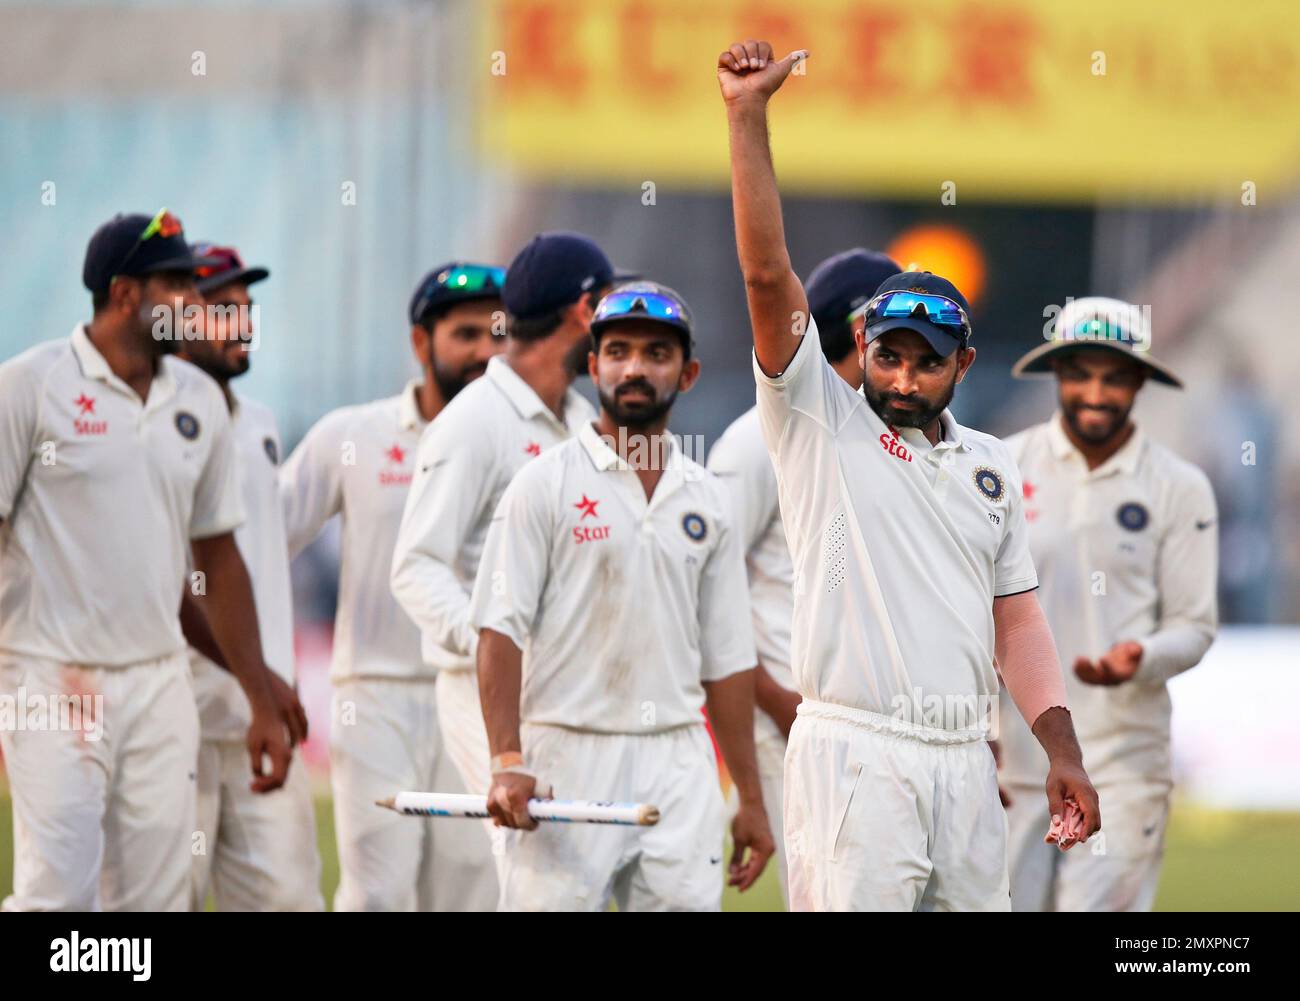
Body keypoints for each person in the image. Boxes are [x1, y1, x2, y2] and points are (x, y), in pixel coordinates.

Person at [716, 40, 1100, 911]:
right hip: (856, 753)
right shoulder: (818, 424)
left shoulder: (990, 466)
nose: (902, 378)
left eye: (925, 363)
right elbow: (766, 273)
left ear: (963, 364)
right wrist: (747, 115)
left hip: (966, 759)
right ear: (860, 348)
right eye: (887, 356)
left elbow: (1019, 623)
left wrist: (1061, 750)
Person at [0, 210, 292, 911]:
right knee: (59, 894)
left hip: (161, 683)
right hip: (50, 675)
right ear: (125, 294)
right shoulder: (28, 387)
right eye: (177, 285)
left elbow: (218, 562)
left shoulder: (198, 401)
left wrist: (259, 693)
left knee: (157, 900)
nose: (195, 302)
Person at [471, 281, 774, 911]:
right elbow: (499, 629)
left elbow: (727, 662)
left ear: (686, 373)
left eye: (657, 354)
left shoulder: (708, 499)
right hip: (564, 755)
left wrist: (749, 795)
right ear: (593, 365)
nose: (635, 367)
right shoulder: (542, 484)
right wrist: (505, 760)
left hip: (678, 761)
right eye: (619, 351)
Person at [280, 263, 505, 911]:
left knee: (471, 894)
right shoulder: (354, 436)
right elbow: (260, 545)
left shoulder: (533, 440)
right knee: (379, 895)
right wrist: (260, 666)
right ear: (419, 342)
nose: (484, 351)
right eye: (465, 333)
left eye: (497, 332)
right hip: (375, 697)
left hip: (480, 695)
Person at [390, 233, 611, 860]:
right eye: (612, 301)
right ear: (584, 310)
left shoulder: (577, 419)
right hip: (482, 689)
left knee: (578, 873)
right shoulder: (474, 420)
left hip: (562, 687)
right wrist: (494, 644)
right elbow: (415, 565)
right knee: (539, 872)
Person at [999, 296, 1218, 911]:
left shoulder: (1178, 486)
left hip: (1123, 762)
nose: (1096, 392)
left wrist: (1139, 656)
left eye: (1115, 376)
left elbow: (1195, 626)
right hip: (1016, 762)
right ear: (1057, 375)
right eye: (1081, 373)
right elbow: (971, 614)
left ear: (1140, 381)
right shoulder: (1001, 468)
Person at [707, 247, 900, 905]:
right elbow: (705, 592)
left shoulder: (892, 441)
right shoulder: (755, 441)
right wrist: (778, 699)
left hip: (891, 724)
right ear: (857, 333)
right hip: (794, 723)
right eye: (892, 338)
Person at [176, 242, 322, 911]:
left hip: (259, 719)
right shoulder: (150, 423)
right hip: (171, 719)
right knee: (146, 908)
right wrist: (260, 678)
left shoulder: (261, 424)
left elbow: (258, 553)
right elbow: (170, 586)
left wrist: (263, 689)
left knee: (288, 901)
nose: (240, 322)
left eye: (245, 308)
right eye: (219, 309)